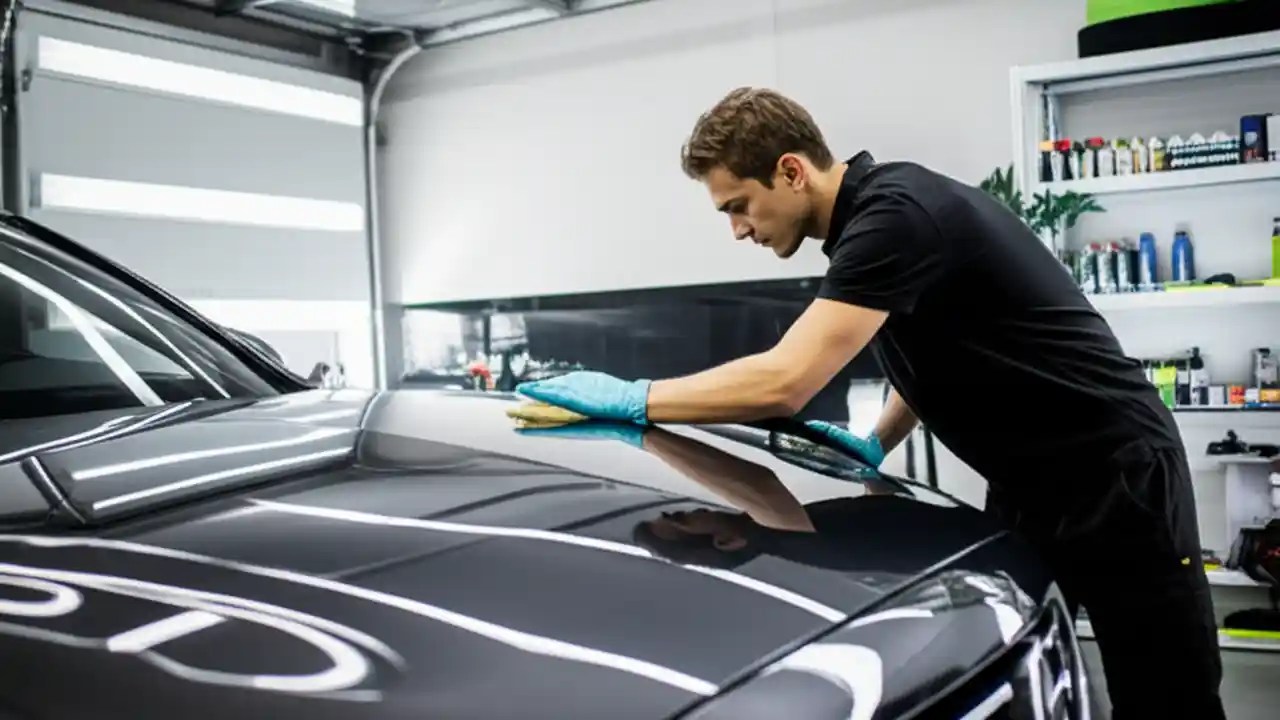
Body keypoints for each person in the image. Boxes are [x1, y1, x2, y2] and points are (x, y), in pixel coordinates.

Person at [515, 86, 1224, 718]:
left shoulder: (897, 217)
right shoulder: (875, 222)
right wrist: (880, 438)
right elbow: (945, 348)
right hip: (1033, 485)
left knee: (1167, 694)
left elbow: (781, 382)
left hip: (1117, 472)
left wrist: (637, 398)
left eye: (739, 206)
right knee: (1017, 665)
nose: (738, 229)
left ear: (791, 171)